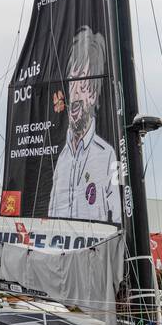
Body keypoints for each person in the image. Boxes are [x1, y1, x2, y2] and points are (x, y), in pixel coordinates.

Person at [48, 26, 119, 224]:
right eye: (72, 81)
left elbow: (119, 218)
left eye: (83, 83)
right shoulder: (62, 159)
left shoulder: (108, 156)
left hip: (96, 254)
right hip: (63, 253)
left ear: (94, 94)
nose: (75, 92)